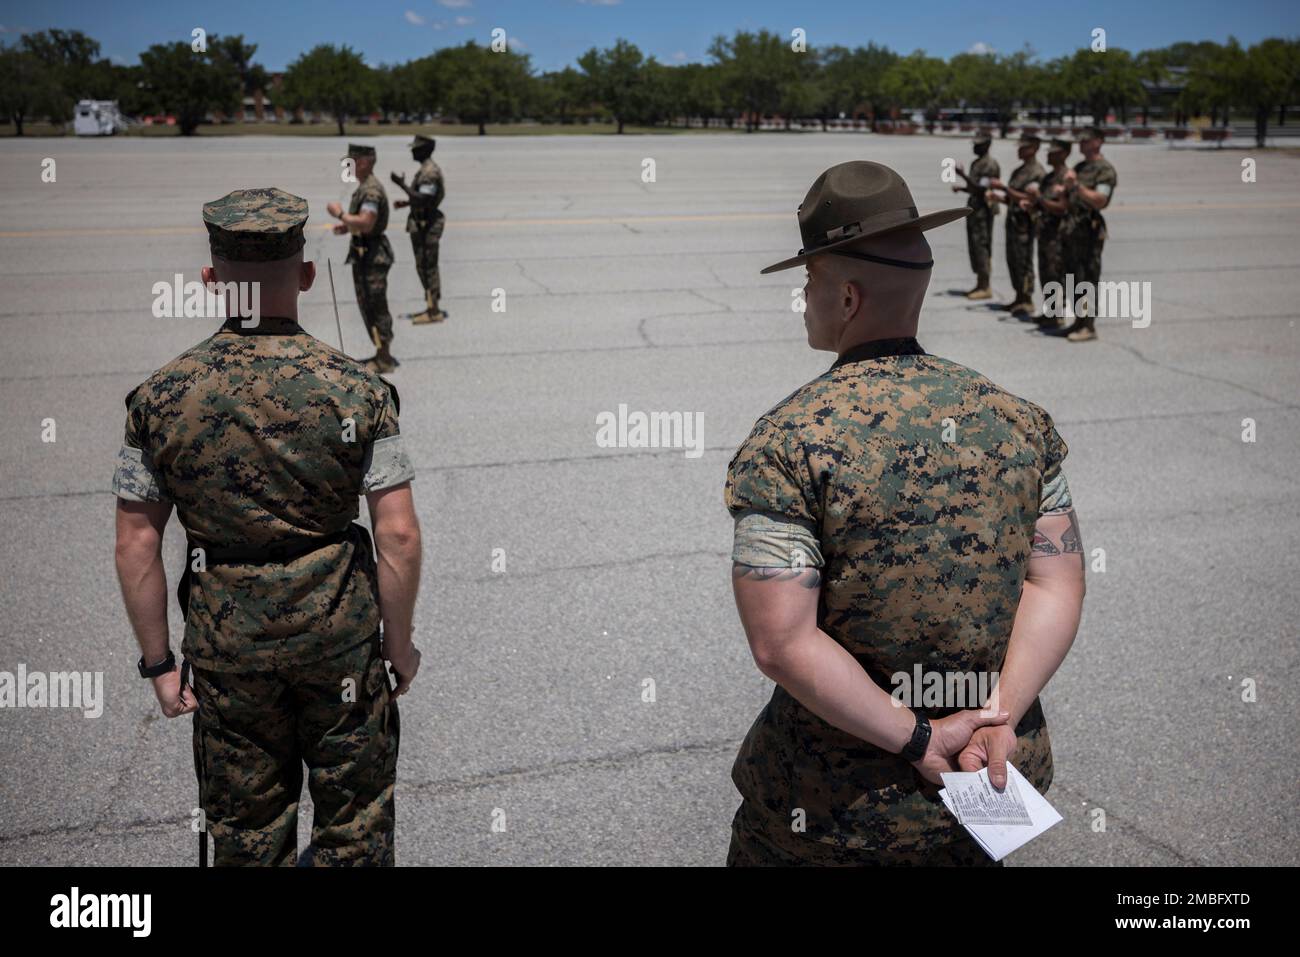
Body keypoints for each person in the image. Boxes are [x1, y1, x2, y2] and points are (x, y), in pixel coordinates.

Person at [725, 161, 1086, 865]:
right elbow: (1056, 582)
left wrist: (921, 738)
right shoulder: (1016, 419)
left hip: (834, 812)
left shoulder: (789, 441)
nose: (803, 301)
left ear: (849, 297)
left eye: (808, 285)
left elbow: (781, 641)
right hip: (987, 787)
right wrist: (994, 714)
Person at [112, 187, 424, 866]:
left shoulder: (160, 397)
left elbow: (136, 541)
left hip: (230, 650)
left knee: (249, 835)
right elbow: (397, 534)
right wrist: (398, 644)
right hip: (338, 643)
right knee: (355, 828)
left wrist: (160, 664)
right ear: (307, 274)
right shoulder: (360, 392)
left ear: (211, 279)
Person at [328, 144, 399, 371]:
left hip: (372, 257)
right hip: (365, 254)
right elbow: (363, 222)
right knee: (368, 304)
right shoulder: (365, 188)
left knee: (376, 305)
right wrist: (347, 227)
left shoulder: (371, 191)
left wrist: (339, 213)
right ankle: (380, 354)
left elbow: (367, 221)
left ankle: (384, 359)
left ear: (365, 163)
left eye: (352, 161)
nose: (348, 166)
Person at [1049, 127, 1117, 342]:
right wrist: (1063, 192)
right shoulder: (1079, 167)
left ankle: (1088, 326)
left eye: (1086, 140)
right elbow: (1069, 199)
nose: (1081, 144)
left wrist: (1076, 186)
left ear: (1098, 142)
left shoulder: (1104, 170)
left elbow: (1100, 200)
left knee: (1087, 278)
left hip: (1088, 231)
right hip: (1071, 229)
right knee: (1072, 277)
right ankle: (1078, 322)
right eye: (1080, 141)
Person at [391, 134, 448, 325]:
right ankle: (431, 307)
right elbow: (423, 198)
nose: (412, 151)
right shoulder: (425, 170)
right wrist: (407, 203)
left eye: (415, 148)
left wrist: (402, 185)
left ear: (425, 150)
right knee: (423, 266)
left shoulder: (429, 172)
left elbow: (424, 199)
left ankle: (434, 311)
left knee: (428, 267)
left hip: (427, 225)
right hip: (422, 222)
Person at [990, 133, 1045, 317]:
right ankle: (1019, 296)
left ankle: (1027, 299)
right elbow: (1014, 198)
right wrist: (1001, 197)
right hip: (1013, 224)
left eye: (1024, 147)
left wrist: (1005, 189)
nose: (1019, 150)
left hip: (1025, 225)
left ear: (1035, 148)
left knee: (1024, 261)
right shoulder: (1018, 171)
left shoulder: (1037, 172)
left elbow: (1031, 197)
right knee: (1012, 260)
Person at [1025, 138, 1072, 330]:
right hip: (1044, 233)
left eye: (1053, 152)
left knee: (1055, 274)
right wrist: (1032, 205)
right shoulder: (1049, 178)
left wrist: (1039, 199)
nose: (1048, 155)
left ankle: (1058, 314)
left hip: (1058, 235)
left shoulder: (1067, 178)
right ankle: (1050, 312)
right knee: (1045, 273)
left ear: (1064, 154)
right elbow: (1042, 203)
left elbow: (1062, 207)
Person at [952, 131, 1000, 299]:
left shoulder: (989, 165)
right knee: (975, 246)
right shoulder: (977, 163)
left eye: (978, 144)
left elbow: (981, 189)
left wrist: (963, 175)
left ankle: (986, 286)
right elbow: (974, 187)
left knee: (982, 246)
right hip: (975, 210)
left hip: (983, 212)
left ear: (987, 145)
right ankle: (980, 283)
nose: (975, 147)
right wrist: (962, 188)